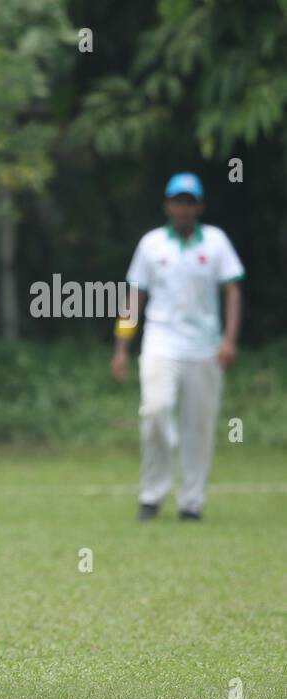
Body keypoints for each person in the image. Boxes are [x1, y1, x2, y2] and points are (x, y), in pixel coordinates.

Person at [111, 172, 245, 520]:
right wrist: (122, 347)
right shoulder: (151, 244)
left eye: (189, 202)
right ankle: (152, 494)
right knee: (156, 409)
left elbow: (232, 290)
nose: (183, 208)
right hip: (160, 342)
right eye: (177, 201)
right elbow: (134, 297)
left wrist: (229, 340)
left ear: (198, 206)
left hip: (204, 348)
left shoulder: (215, 242)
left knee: (198, 426)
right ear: (167, 206)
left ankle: (191, 502)